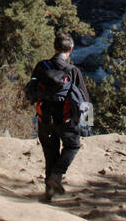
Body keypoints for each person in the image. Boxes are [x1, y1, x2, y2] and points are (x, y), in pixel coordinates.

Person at [25, 32, 89, 201]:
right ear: (71, 49)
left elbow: (30, 89)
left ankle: (49, 194)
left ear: (54, 48)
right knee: (73, 146)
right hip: (65, 120)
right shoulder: (73, 71)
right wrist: (87, 126)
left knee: (50, 154)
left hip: (44, 118)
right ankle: (57, 175)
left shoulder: (41, 66)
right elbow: (84, 99)